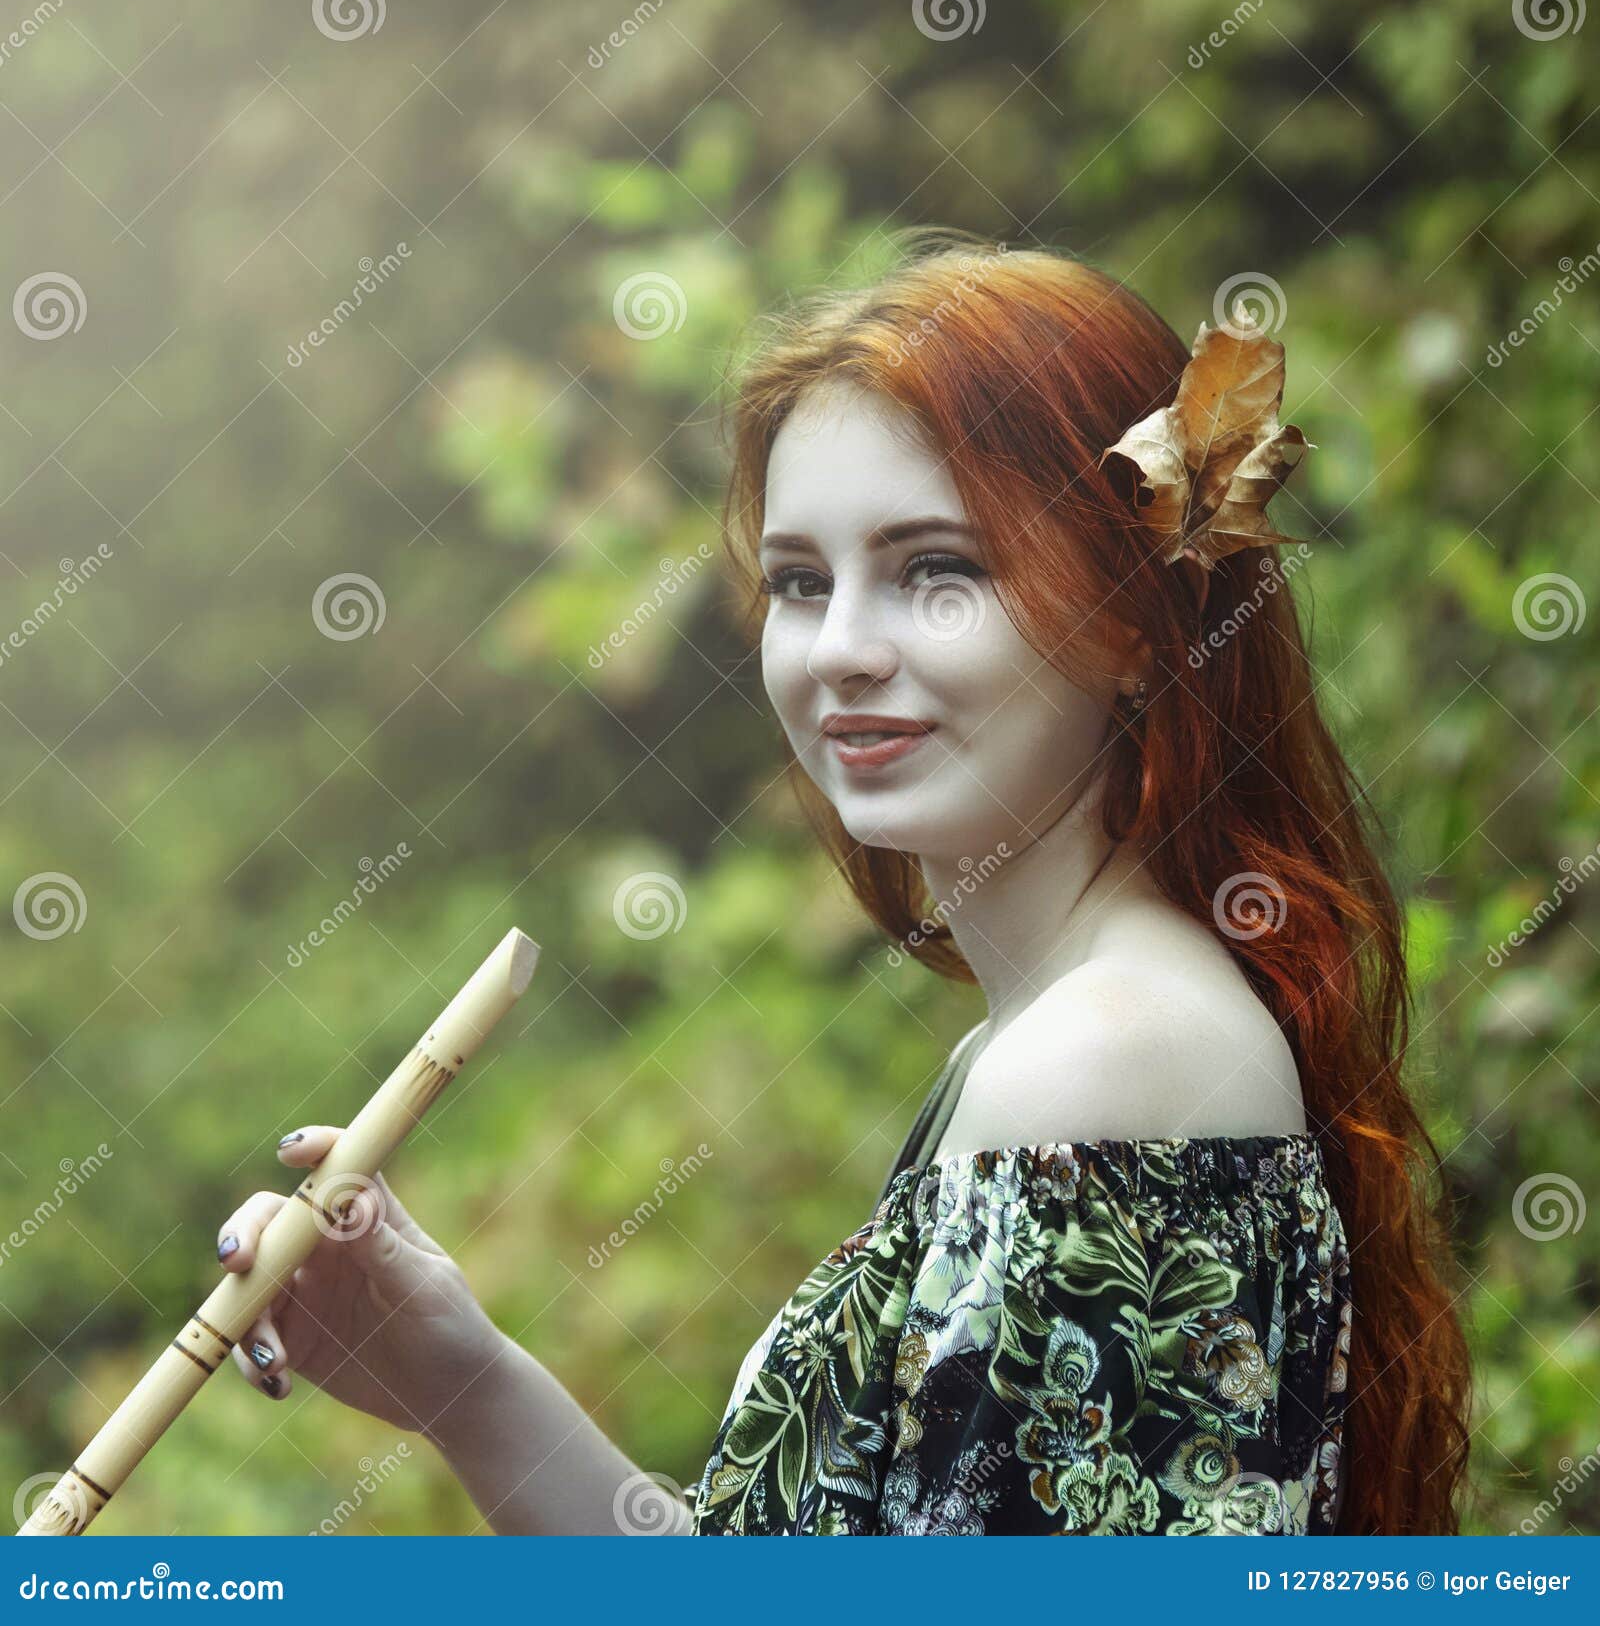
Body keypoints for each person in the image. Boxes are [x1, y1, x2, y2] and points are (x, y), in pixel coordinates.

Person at [213, 233, 1471, 1535]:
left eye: (937, 567)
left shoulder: (1110, 1061)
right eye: (804, 581)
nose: (843, 651)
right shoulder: (1037, 1049)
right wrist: (461, 1378)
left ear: (1137, 621)